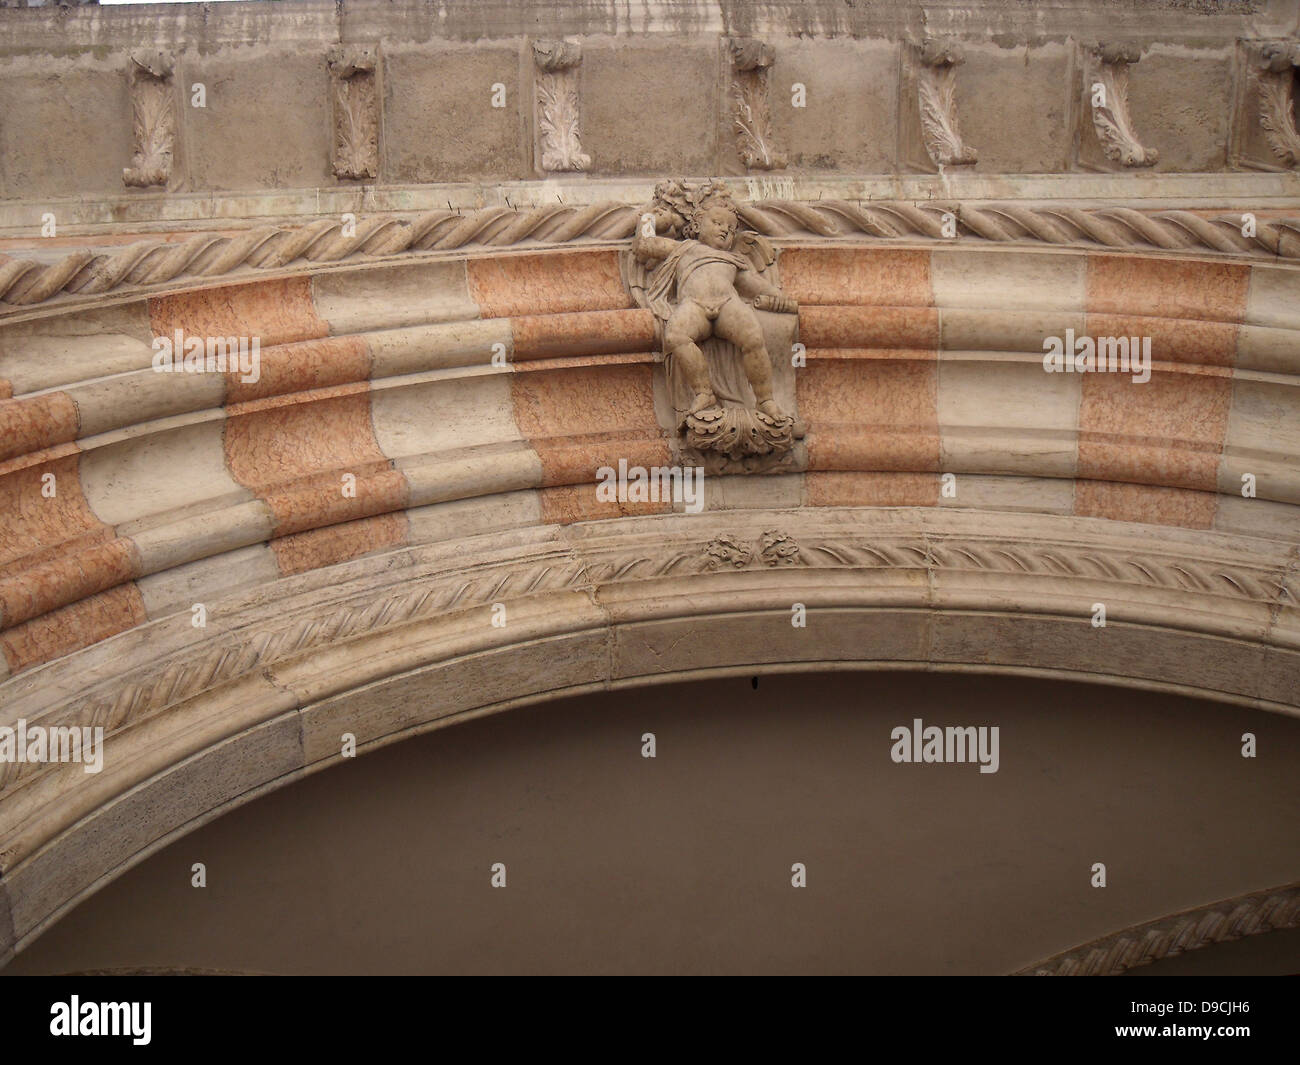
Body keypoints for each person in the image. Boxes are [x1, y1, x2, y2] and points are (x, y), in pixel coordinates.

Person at [632, 199, 797, 421]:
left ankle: (765, 399)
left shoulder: (733, 260)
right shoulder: (685, 248)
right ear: (697, 226)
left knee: (753, 338)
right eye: (717, 223)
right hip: (694, 303)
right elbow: (645, 244)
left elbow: (759, 287)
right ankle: (704, 392)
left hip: (728, 302)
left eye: (730, 229)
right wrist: (653, 217)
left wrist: (780, 300)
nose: (724, 230)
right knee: (675, 335)